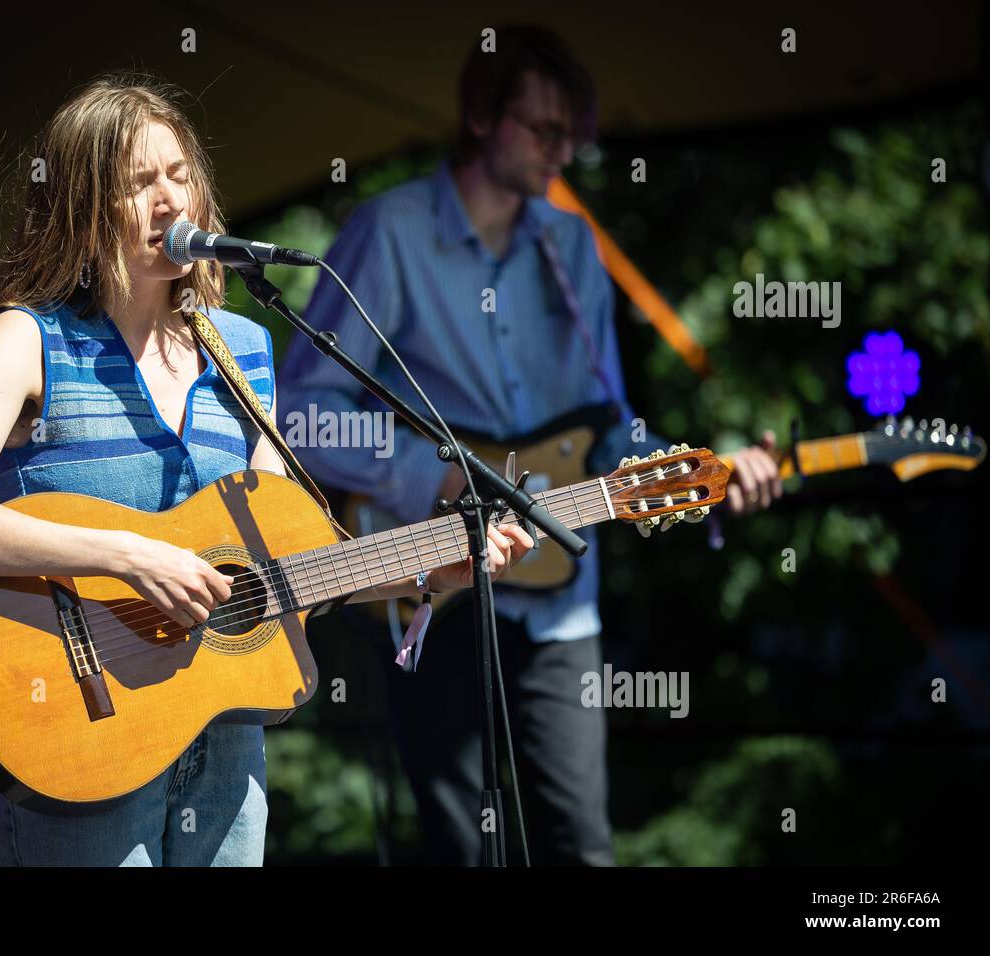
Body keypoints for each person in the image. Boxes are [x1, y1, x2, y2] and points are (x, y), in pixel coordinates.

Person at [0, 72, 534, 867]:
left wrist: (425, 568)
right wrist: (129, 556)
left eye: (179, 176)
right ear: (84, 207)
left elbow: (284, 560)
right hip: (81, 732)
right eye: (138, 184)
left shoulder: (243, 351)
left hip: (228, 752)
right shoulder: (28, 342)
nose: (169, 202)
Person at [277, 26, 782, 865]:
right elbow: (299, 409)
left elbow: (609, 419)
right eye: (542, 129)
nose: (561, 150)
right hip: (432, 581)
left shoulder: (572, 243)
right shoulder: (390, 232)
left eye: (569, 134)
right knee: (459, 846)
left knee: (581, 844)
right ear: (481, 115)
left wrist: (712, 474)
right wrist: (425, 475)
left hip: (558, 594)